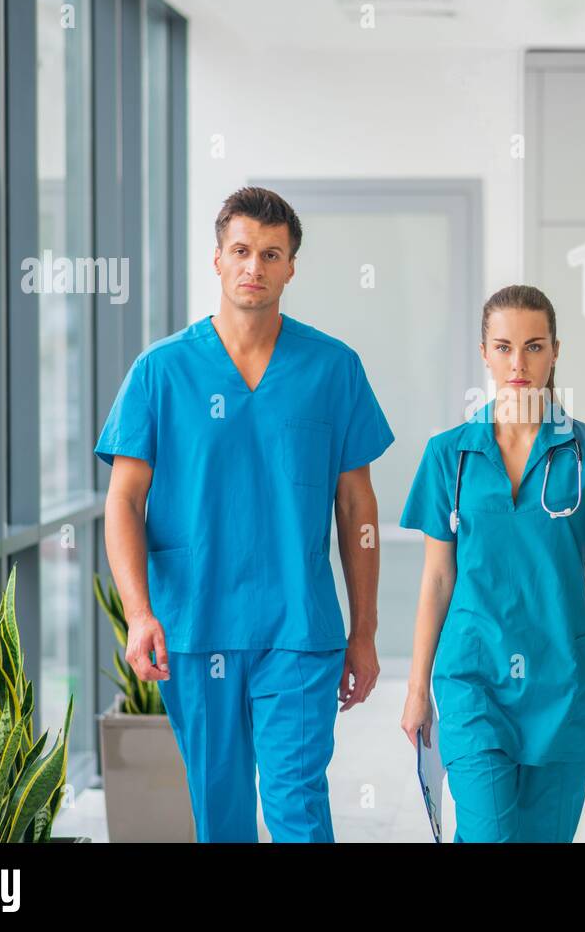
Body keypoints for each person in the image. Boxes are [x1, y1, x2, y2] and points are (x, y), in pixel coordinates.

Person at [95, 186, 394, 842]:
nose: (253, 265)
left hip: (300, 627)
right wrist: (140, 613)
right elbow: (122, 499)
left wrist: (365, 629)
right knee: (221, 816)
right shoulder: (161, 371)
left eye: (270, 253)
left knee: (297, 808)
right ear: (217, 259)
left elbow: (356, 506)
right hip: (195, 629)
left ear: (291, 267)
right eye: (240, 250)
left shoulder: (332, 368)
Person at [398, 285, 585, 842]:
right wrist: (417, 686)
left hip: (562, 676)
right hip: (472, 674)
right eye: (503, 347)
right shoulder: (449, 454)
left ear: (555, 351)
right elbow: (437, 578)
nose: (518, 363)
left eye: (534, 346)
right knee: (488, 834)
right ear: (484, 353)